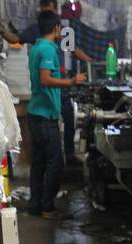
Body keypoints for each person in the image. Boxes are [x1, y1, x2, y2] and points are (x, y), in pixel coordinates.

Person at [5, 0, 92, 161]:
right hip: (51, 90)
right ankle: (60, 157)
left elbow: (74, 49)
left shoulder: (54, 31)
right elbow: (15, 40)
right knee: (52, 140)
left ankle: (68, 154)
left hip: (54, 88)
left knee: (68, 117)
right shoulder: (42, 37)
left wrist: (91, 64)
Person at [27, 8, 85, 217]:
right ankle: (47, 206)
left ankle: (35, 205)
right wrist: (71, 81)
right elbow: (45, 79)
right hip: (45, 117)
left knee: (39, 163)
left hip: (35, 114)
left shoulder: (36, 47)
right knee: (55, 162)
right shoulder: (49, 49)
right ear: (56, 28)